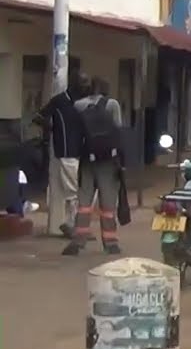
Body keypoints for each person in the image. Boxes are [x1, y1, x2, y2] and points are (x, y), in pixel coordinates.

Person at [63, 77, 125, 256]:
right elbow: (118, 130)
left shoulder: (78, 105)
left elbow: (74, 132)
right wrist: (122, 161)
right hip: (108, 161)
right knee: (107, 205)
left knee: (84, 203)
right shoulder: (112, 104)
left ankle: (78, 241)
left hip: (86, 160)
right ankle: (111, 243)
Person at [34, 73, 88, 238]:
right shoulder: (59, 101)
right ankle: (74, 225)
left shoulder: (84, 102)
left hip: (82, 153)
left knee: (80, 191)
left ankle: (76, 225)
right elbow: (38, 117)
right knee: (73, 191)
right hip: (65, 152)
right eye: (82, 83)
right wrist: (53, 129)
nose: (85, 86)